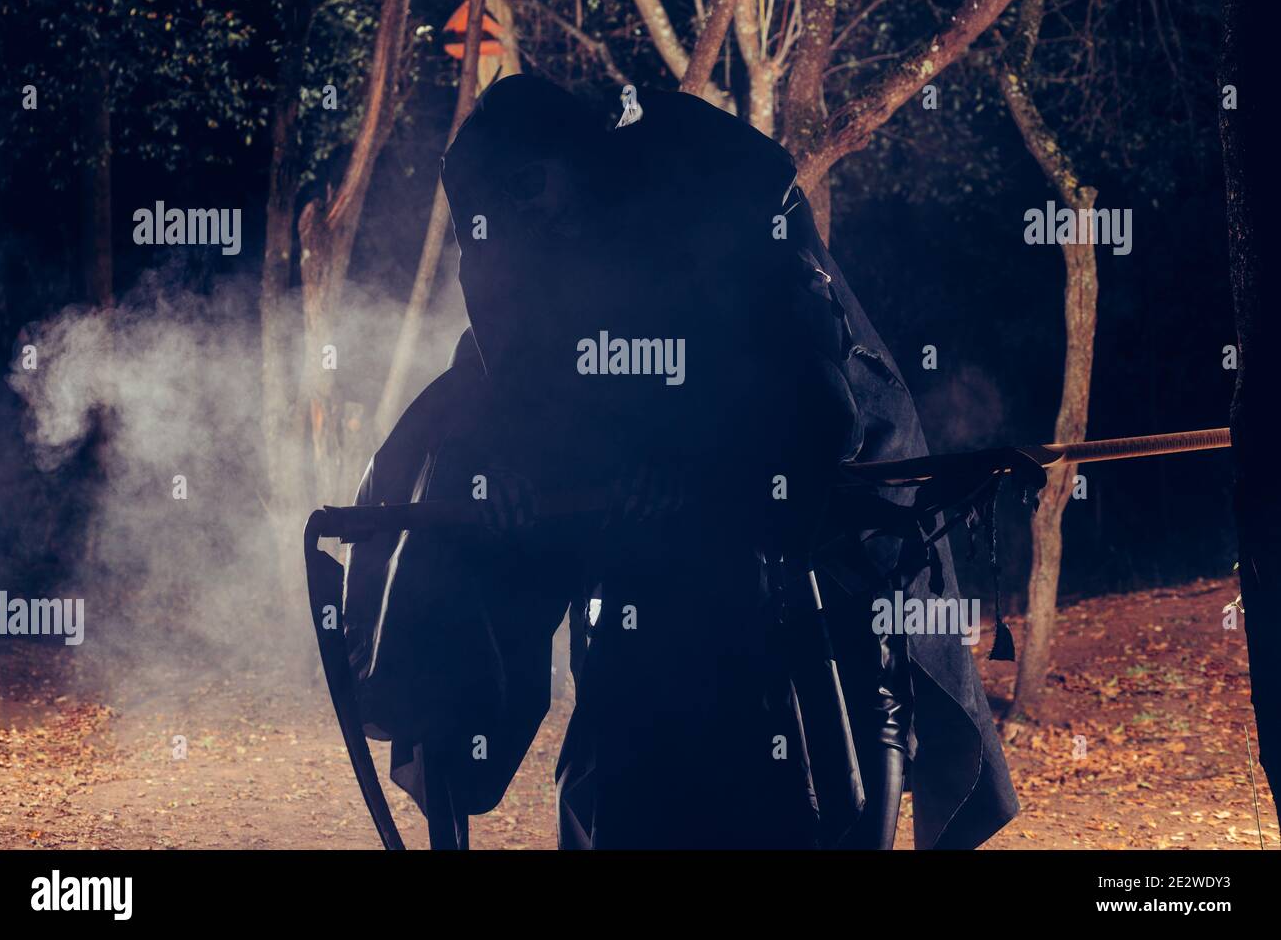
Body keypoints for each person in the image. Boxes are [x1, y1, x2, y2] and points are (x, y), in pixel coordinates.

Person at [341, 75, 1018, 849]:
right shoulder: (528, 254)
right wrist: (511, 484)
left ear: (575, 153)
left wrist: (693, 463)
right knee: (626, 750)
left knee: (820, 741)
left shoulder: (691, 182)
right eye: (507, 207)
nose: (531, 217)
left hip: (806, 512)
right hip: (651, 582)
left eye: (533, 186)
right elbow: (516, 391)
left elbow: (805, 388)